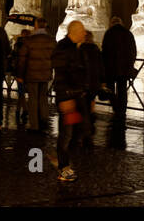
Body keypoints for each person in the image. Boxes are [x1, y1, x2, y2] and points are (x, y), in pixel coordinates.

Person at [51, 21, 92, 182]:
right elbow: (60, 75)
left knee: (80, 131)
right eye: (82, 30)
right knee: (66, 134)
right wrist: (64, 98)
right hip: (68, 99)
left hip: (78, 98)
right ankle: (63, 167)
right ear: (74, 32)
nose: (85, 33)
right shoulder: (63, 48)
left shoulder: (76, 47)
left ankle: (68, 161)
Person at [101, 16, 137, 139]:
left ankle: (116, 108)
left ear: (112, 23)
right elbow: (133, 51)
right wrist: (130, 64)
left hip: (111, 69)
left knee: (110, 90)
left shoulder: (108, 33)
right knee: (123, 91)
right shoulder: (128, 34)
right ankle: (122, 111)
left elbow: (104, 51)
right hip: (124, 69)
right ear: (121, 23)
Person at [19, 18, 56, 132]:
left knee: (33, 99)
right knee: (43, 97)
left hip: (31, 73)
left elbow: (22, 59)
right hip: (45, 74)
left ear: (36, 26)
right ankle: (44, 119)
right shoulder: (51, 40)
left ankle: (34, 125)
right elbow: (55, 57)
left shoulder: (29, 40)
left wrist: (20, 74)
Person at [79, 30, 103, 148]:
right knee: (90, 100)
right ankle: (91, 116)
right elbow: (100, 65)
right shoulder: (96, 49)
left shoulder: (80, 49)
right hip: (94, 81)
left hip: (84, 81)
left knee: (83, 105)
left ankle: (85, 130)